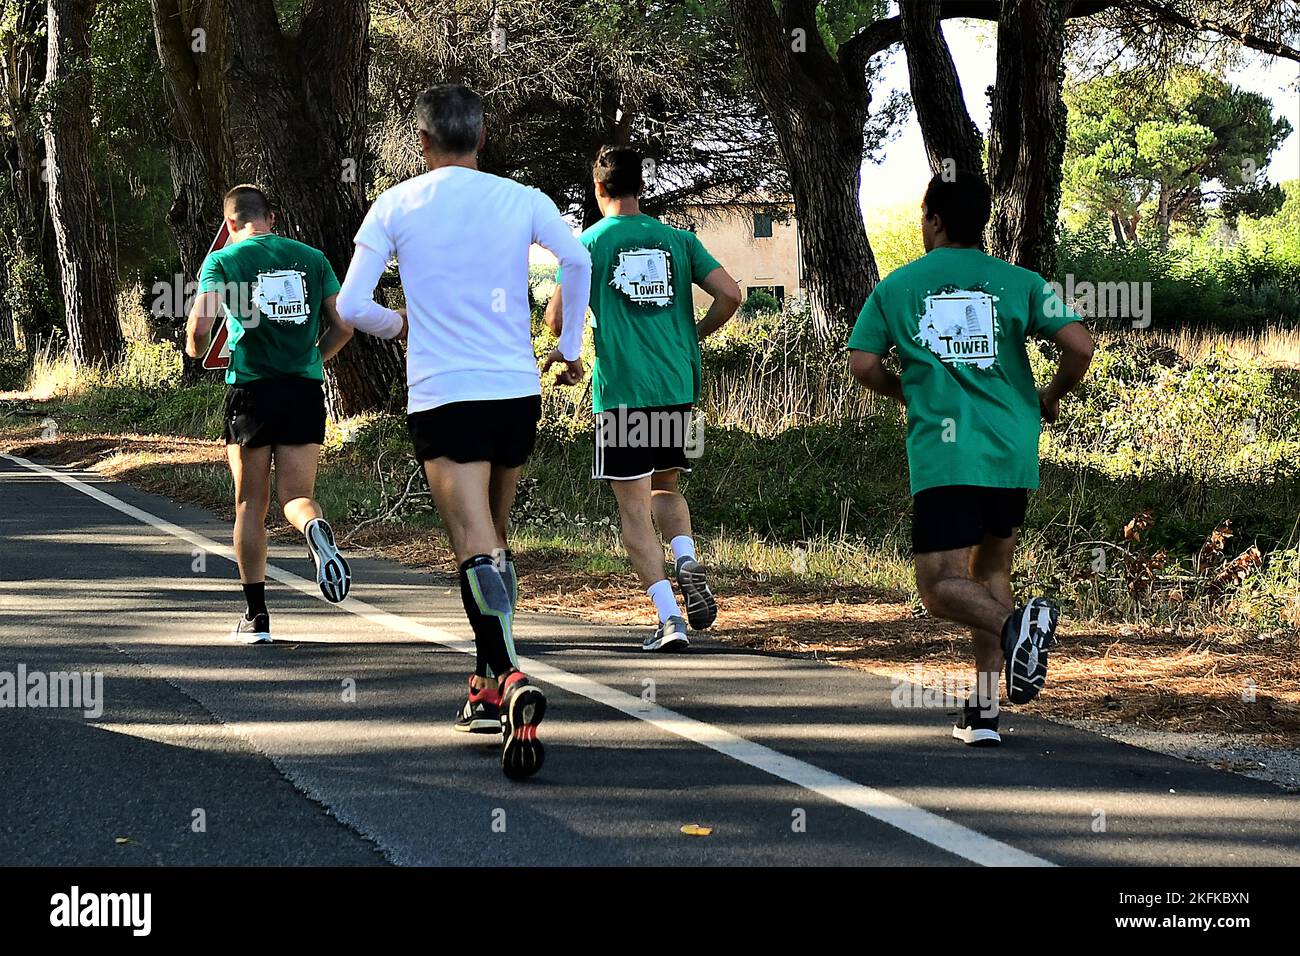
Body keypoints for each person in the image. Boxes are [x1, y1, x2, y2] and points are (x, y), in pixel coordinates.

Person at [336, 84, 592, 781]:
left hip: (445, 396)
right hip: (513, 392)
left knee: (473, 545)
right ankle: (482, 685)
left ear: (421, 142)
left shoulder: (395, 204)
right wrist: (569, 348)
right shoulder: (525, 199)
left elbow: (353, 304)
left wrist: (403, 325)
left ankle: (509, 678)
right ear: (482, 138)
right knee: (494, 543)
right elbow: (578, 261)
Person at [846, 169, 1094, 746]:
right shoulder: (1022, 281)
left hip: (947, 452)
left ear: (933, 218)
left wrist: (906, 389)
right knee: (991, 571)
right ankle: (983, 713)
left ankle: (1016, 629)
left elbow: (861, 363)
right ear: (980, 221)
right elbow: (1079, 343)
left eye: (923, 213)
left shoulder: (899, 286)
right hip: (1010, 448)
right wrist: (1049, 397)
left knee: (938, 587)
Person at [545, 146, 741, 652]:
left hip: (624, 392)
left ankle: (670, 618)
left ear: (598, 190)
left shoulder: (585, 244)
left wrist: (571, 356)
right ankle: (687, 556)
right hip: (678, 386)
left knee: (634, 511)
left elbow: (555, 319)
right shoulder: (679, 240)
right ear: (640, 187)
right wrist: (693, 336)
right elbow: (732, 295)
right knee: (667, 489)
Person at [185, 184, 355, 644]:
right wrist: (316, 356)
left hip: (251, 392)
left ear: (229, 226)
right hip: (303, 390)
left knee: (250, 505)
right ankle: (313, 527)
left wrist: (197, 352)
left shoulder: (223, 261)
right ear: (272, 218)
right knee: (296, 498)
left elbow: (200, 327)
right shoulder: (313, 258)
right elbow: (344, 324)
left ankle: (257, 618)